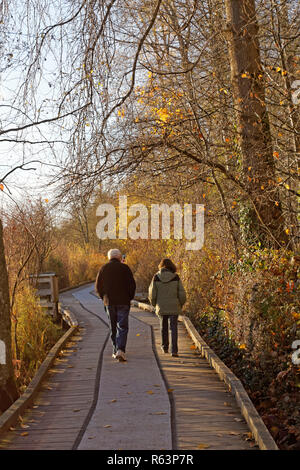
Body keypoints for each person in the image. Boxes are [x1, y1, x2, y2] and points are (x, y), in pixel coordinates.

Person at [95, 248, 136, 362]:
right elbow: (132, 285)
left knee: (113, 327)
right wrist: (129, 297)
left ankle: (115, 350)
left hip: (109, 302)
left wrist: (103, 297)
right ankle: (121, 350)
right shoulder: (125, 268)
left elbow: (98, 286)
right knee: (122, 326)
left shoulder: (103, 269)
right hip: (123, 301)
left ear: (109, 257)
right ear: (119, 257)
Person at [148, 258, 186, 357]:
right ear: (171, 266)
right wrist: (180, 304)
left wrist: (154, 304)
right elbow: (182, 293)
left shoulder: (156, 277)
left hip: (161, 306)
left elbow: (152, 293)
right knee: (174, 328)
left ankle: (165, 347)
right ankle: (174, 350)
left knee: (163, 327)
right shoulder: (176, 277)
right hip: (174, 306)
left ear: (161, 266)